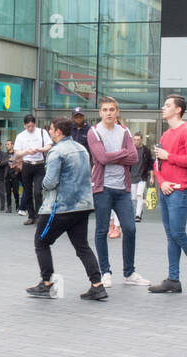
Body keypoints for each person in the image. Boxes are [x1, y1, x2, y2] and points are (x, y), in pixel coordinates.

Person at [27, 118, 106, 301]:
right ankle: (97, 285)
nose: (50, 132)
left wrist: (43, 187)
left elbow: (50, 181)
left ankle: (46, 283)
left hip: (60, 207)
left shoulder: (56, 152)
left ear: (58, 132)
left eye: (51, 129)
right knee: (82, 247)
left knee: (41, 242)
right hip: (83, 205)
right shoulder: (82, 149)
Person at [149, 94, 187, 294]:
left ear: (178, 110)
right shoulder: (165, 136)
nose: (163, 108)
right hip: (166, 189)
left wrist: (170, 156)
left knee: (178, 233)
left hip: (181, 190)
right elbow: (157, 163)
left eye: (168, 105)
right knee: (171, 236)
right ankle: (173, 280)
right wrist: (162, 181)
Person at [87, 96, 149, 288]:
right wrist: (122, 154)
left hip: (123, 189)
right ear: (100, 112)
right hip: (102, 188)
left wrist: (113, 156)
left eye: (112, 110)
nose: (108, 113)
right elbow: (101, 158)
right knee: (102, 230)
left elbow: (134, 158)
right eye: (105, 110)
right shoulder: (94, 132)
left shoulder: (125, 131)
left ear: (117, 112)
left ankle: (129, 273)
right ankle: (105, 272)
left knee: (130, 228)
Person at [13, 114, 52, 224]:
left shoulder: (42, 132)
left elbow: (49, 145)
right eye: (28, 126)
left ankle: (39, 215)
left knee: (38, 191)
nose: (30, 128)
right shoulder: (20, 136)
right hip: (27, 164)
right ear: (24, 125)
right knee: (27, 191)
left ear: (35, 124)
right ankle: (31, 216)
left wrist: (41, 149)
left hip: (39, 165)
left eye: (32, 126)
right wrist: (26, 151)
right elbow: (17, 153)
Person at [132, 135, 153, 223]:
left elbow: (150, 164)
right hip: (131, 176)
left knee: (139, 195)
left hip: (142, 177)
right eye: (135, 140)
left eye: (138, 140)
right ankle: (135, 212)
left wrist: (152, 177)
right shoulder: (131, 149)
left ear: (141, 140)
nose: (136, 141)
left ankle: (138, 214)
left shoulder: (146, 150)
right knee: (133, 197)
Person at [6, 141, 23, 214]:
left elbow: (20, 163)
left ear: (12, 145)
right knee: (8, 192)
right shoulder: (4, 154)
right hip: (7, 175)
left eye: (8, 144)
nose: (7, 146)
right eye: (6, 144)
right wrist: (7, 160)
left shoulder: (16, 154)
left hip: (15, 175)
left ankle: (17, 206)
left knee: (16, 192)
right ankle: (9, 207)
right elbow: (2, 163)